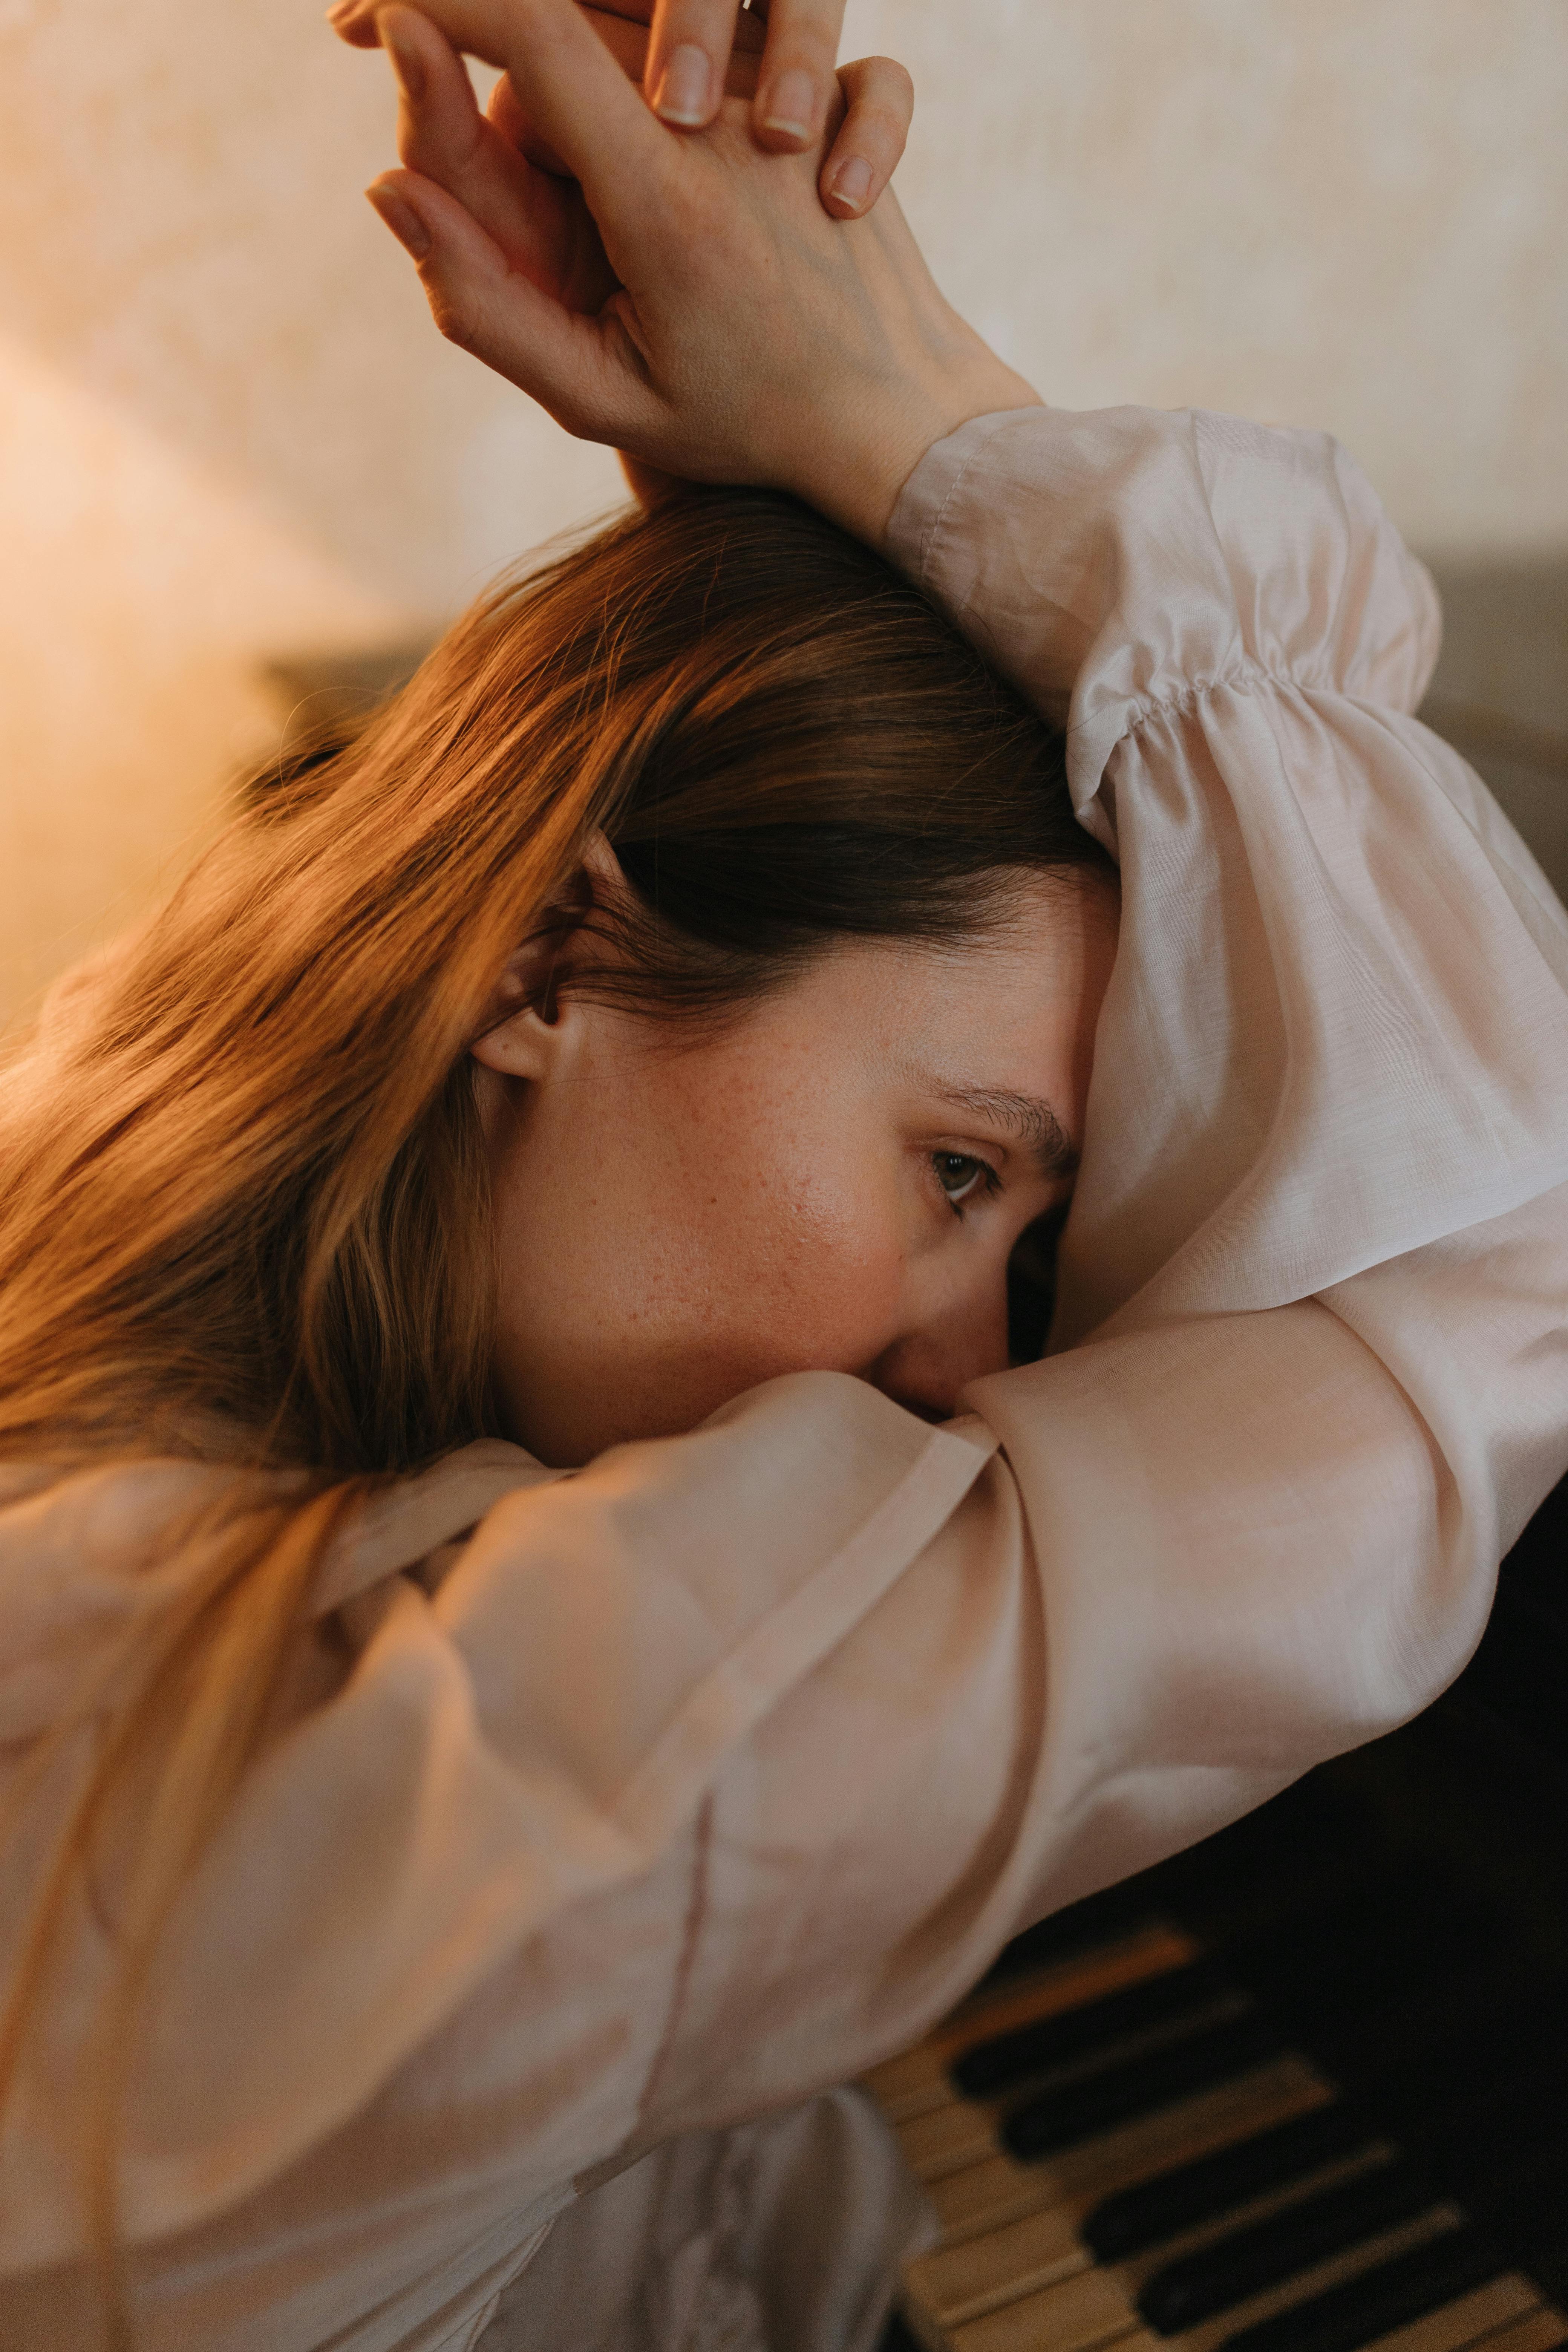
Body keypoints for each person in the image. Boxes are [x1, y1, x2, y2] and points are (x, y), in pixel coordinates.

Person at [2, 2, 1566, 2345]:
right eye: (958, 1172)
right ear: (545, 951)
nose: (964, 1372)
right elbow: (1493, 1259)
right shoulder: (463, 1766)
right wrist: (894, 400)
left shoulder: (122, 1150)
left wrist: (775, 564)